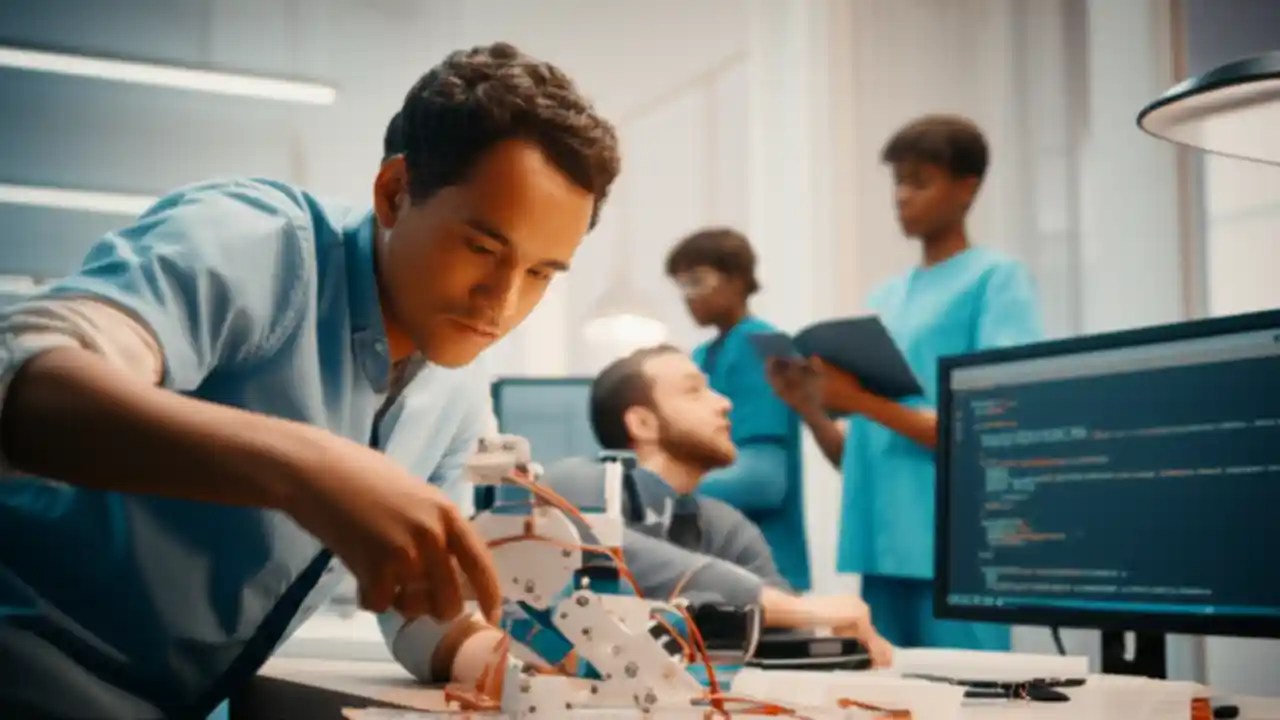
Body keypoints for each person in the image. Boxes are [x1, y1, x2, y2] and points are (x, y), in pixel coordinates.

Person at [0, 42, 620, 717]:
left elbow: (418, 606)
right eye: (482, 248)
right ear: (395, 191)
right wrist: (308, 470)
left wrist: (525, 671)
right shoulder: (254, 243)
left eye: (539, 274)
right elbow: (26, 392)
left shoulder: (458, 395)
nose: (501, 303)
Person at [769, 115, 1043, 651]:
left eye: (919, 181)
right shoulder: (886, 298)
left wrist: (862, 402)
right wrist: (812, 408)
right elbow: (863, 460)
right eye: (897, 181)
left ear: (968, 187)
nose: (901, 196)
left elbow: (991, 429)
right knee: (885, 701)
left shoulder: (995, 279)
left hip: (957, 549)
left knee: (967, 705)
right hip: (880, 550)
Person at [565, 344, 891, 664]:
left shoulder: (722, 526)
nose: (724, 403)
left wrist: (843, 643)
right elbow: (610, 551)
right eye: (694, 391)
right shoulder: (571, 486)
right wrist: (804, 611)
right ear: (643, 423)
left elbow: (783, 624)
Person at [663, 229, 810, 592]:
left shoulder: (760, 347)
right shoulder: (699, 358)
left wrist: (660, 489)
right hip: (710, 561)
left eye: (697, 281)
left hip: (764, 565)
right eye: (681, 286)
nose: (688, 297)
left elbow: (764, 482)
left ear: (738, 280)